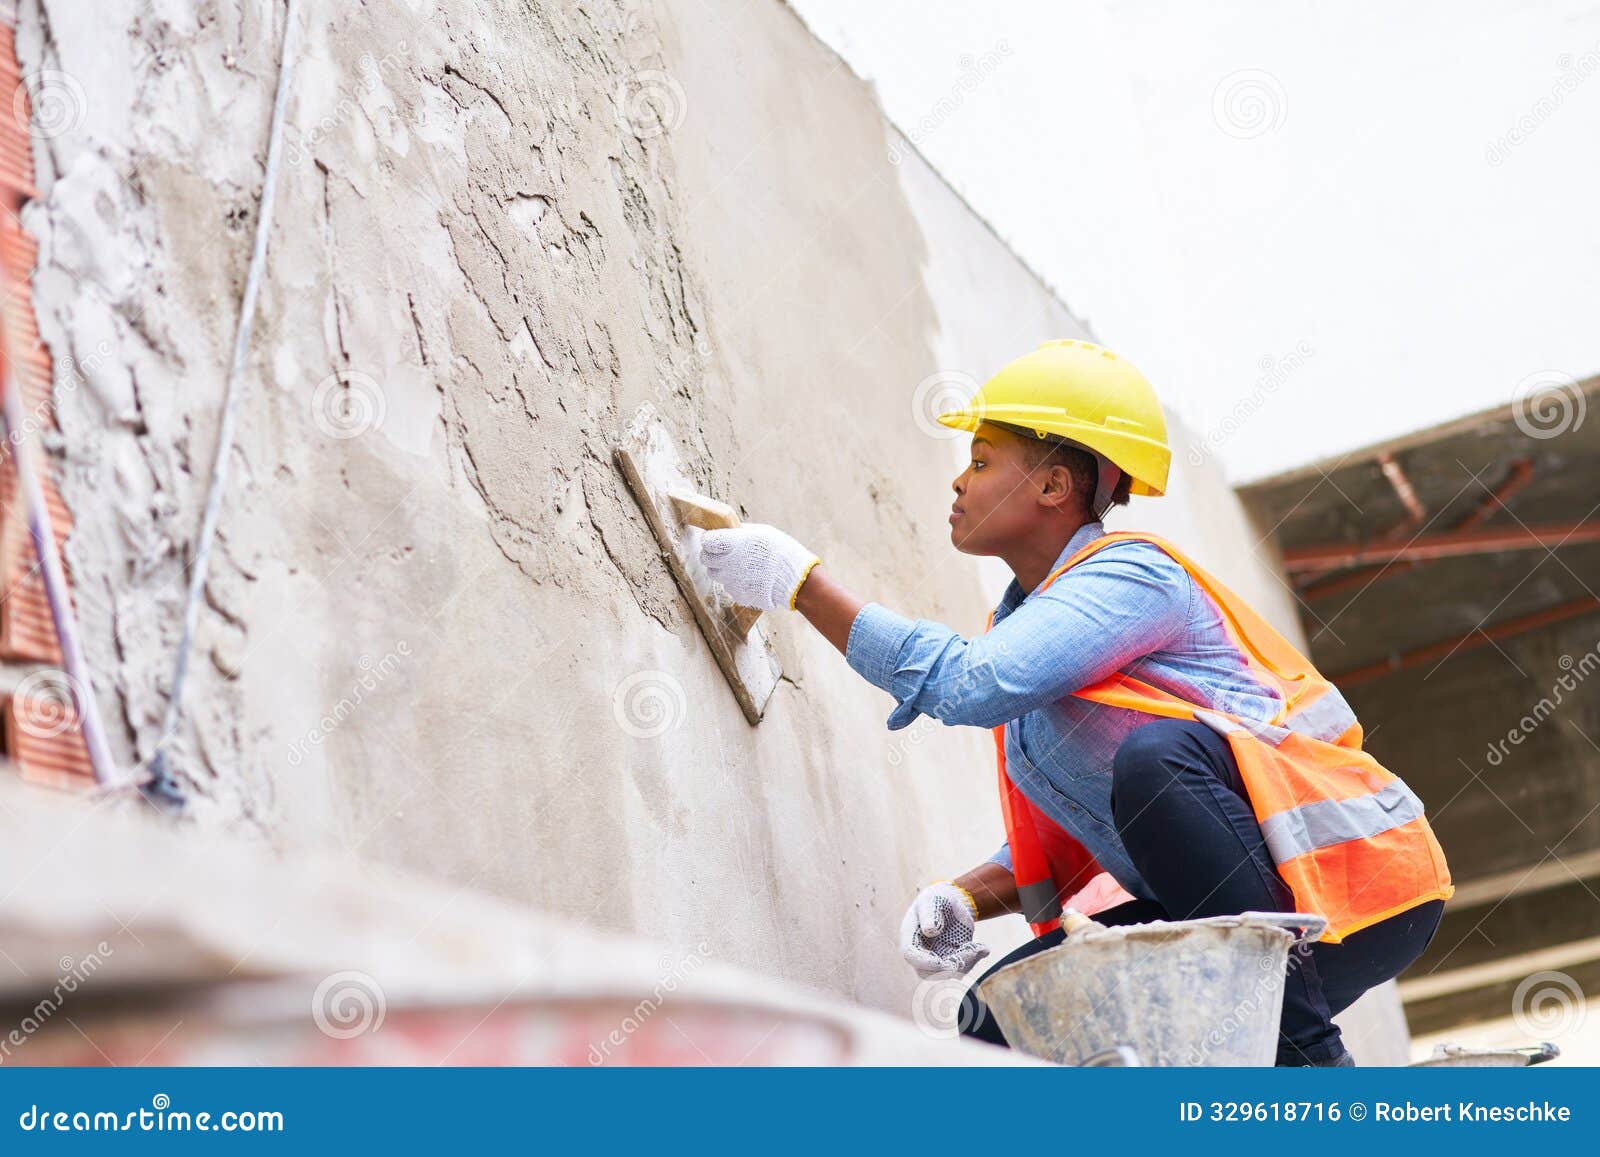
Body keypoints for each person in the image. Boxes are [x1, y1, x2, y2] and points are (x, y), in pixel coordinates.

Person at [698, 340, 1453, 1065]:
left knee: (1157, 761)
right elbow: (1077, 833)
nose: (959, 482)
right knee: (999, 1019)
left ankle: (1313, 1069)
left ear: (1056, 486)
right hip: (1240, 899)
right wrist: (963, 896)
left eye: (983, 461)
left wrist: (798, 583)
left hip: (1357, 879)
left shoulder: (1132, 576)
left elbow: (971, 684)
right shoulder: (1031, 630)